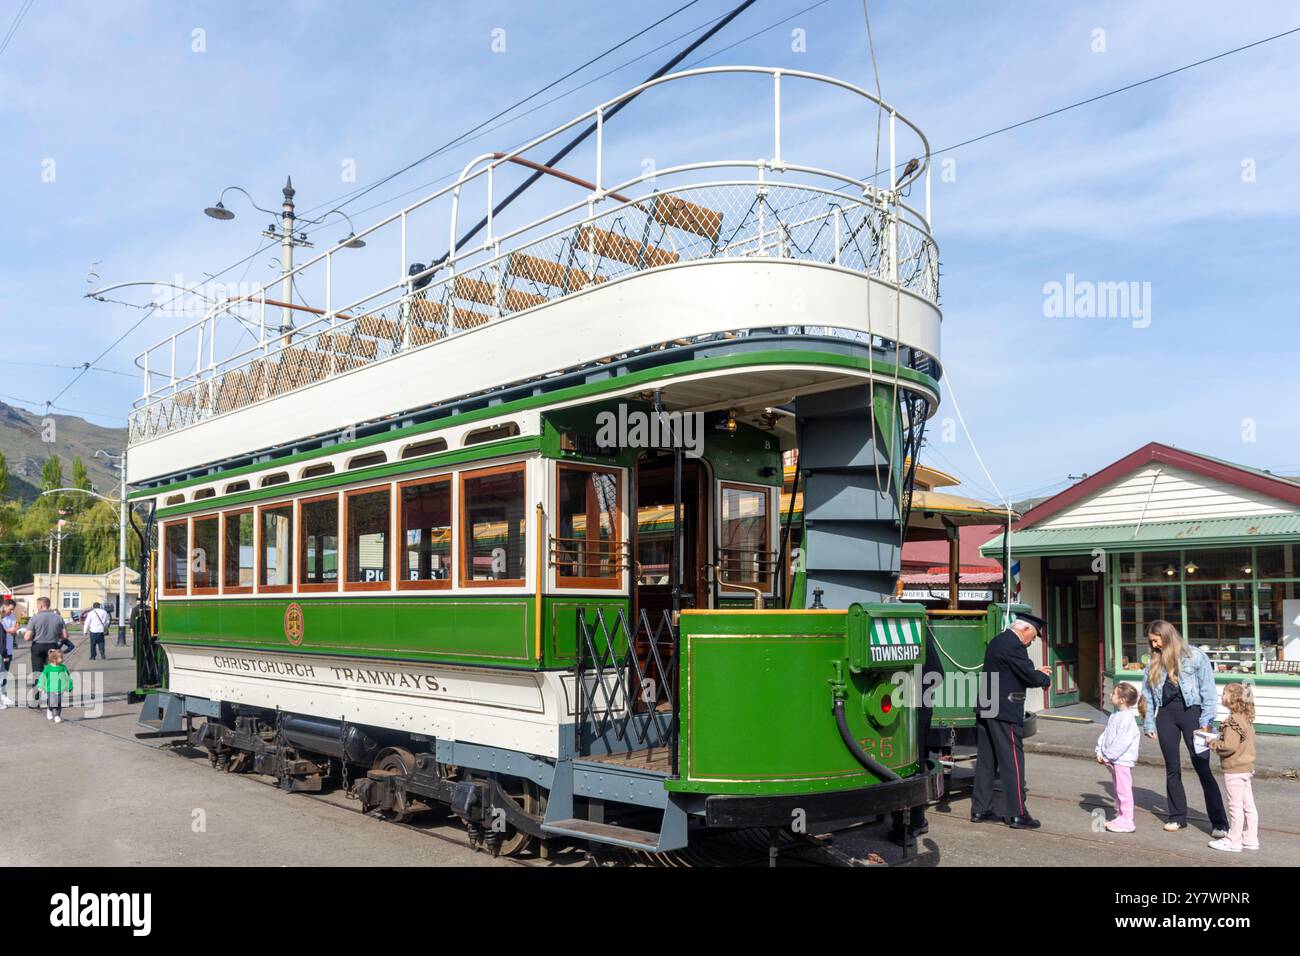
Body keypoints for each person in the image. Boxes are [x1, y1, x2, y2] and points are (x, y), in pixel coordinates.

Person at [1139, 620, 1228, 837]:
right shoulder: (1153, 663)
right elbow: (1148, 696)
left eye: (1156, 640)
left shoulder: (1195, 656)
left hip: (1193, 716)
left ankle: (1219, 823)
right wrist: (1149, 722)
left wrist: (1206, 722)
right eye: (1151, 642)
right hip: (1166, 717)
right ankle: (1178, 817)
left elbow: (1208, 691)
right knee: (1172, 768)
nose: (1155, 645)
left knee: (1202, 767)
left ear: (1167, 635)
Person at [971, 611, 1052, 829]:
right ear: (1024, 629)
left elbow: (1012, 672)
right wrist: (1044, 677)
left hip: (988, 707)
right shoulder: (1014, 645)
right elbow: (1028, 675)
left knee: (986, 762)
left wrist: (1033, 672)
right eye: (1033, 635)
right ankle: (1017, 813)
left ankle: (980, 809)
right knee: (1013, 762)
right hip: (1004, 710)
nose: (1032, 640)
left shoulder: (998, 641)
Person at [887, 623, 945, 845]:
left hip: (898, 713)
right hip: (920, 711)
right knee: (916, 764)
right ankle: (915, 821)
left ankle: (904, 826)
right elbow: (938, 673)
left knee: (897, 767)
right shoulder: (919, 634)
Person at [1206, 682, 1258, 852]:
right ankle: (1250, 837)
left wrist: (1211, 742)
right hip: (1246, 767)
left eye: (1223, 694)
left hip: (1234, 770)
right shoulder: (1245, 718)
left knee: (1235, 806)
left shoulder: (1232, 721)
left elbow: (1229, 746)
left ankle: (1233, 840)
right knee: (1248, 805)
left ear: (1232, 699)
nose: (1221, 697)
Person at [1095, 683, 1142, 832]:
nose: (1110, 695)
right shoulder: (1115, 715)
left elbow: (1122, 742)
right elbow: (1107, 734)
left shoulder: (1127, 719)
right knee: (1118, 788)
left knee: (1124, 789)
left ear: (1122, 700)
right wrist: (1100, 750)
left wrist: (1107, 755)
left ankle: (1127, 821)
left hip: (1122, 760)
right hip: (1114, 759)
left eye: (1114, 693)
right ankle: (1122, 816)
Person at [24, 596, 70, 707]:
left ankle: (36, 701)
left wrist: (34, 636)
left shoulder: (34, 618)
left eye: (37, 605)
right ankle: (52, 701)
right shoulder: (58, 618)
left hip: (38, 648)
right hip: (53, 648)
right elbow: (65, 636)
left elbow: (26, 637)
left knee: (38, 673)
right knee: (53, 674)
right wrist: (56, 636)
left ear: (40, 605)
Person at [37, 647, 73, 723]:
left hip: (60, 688)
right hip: (50, 688)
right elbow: (42, 677)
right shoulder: (48, 668)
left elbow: (68, 677)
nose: (63, 659)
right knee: (52, 702)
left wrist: (70, 686)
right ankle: (49, 709)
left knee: (58, 703)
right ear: (54, 659)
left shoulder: (63, 667)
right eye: (61, 658)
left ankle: (57, 716)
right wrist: (40, 686)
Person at [0, 598, 16, 709]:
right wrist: (9, 630)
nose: (12, 612)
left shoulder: (12, 616)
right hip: (2, 649)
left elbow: (13, 629)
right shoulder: (1, 618)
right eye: (10, 609)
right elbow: (4, 632)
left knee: (4, 674)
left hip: (8, 649)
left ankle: (3, 695)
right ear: (4, 606)